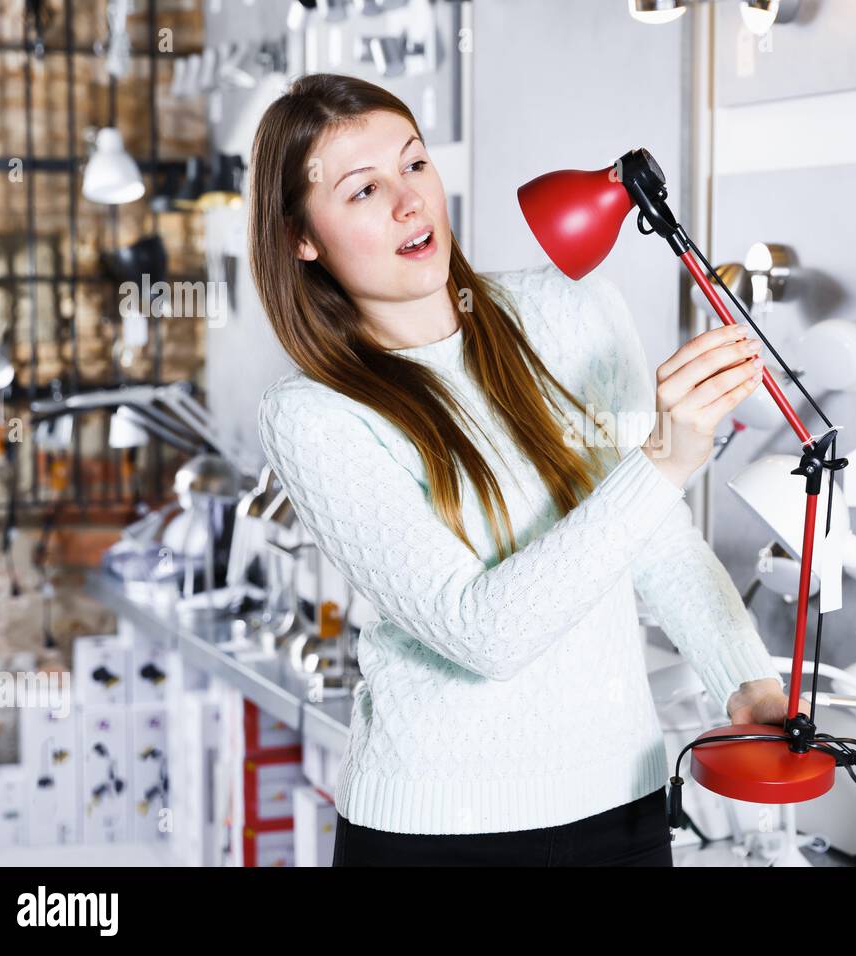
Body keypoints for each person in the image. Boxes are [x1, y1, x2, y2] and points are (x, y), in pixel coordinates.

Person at [246, 73, 802, 867]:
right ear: (302, 236)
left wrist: (746, 682)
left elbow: (658, 542)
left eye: (414, 165)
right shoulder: (314, 414)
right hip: (440, 837)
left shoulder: (569, 312)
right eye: (363, 190)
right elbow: (483, 632)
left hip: (627, 811)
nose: (410, 203)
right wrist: (662, 461)